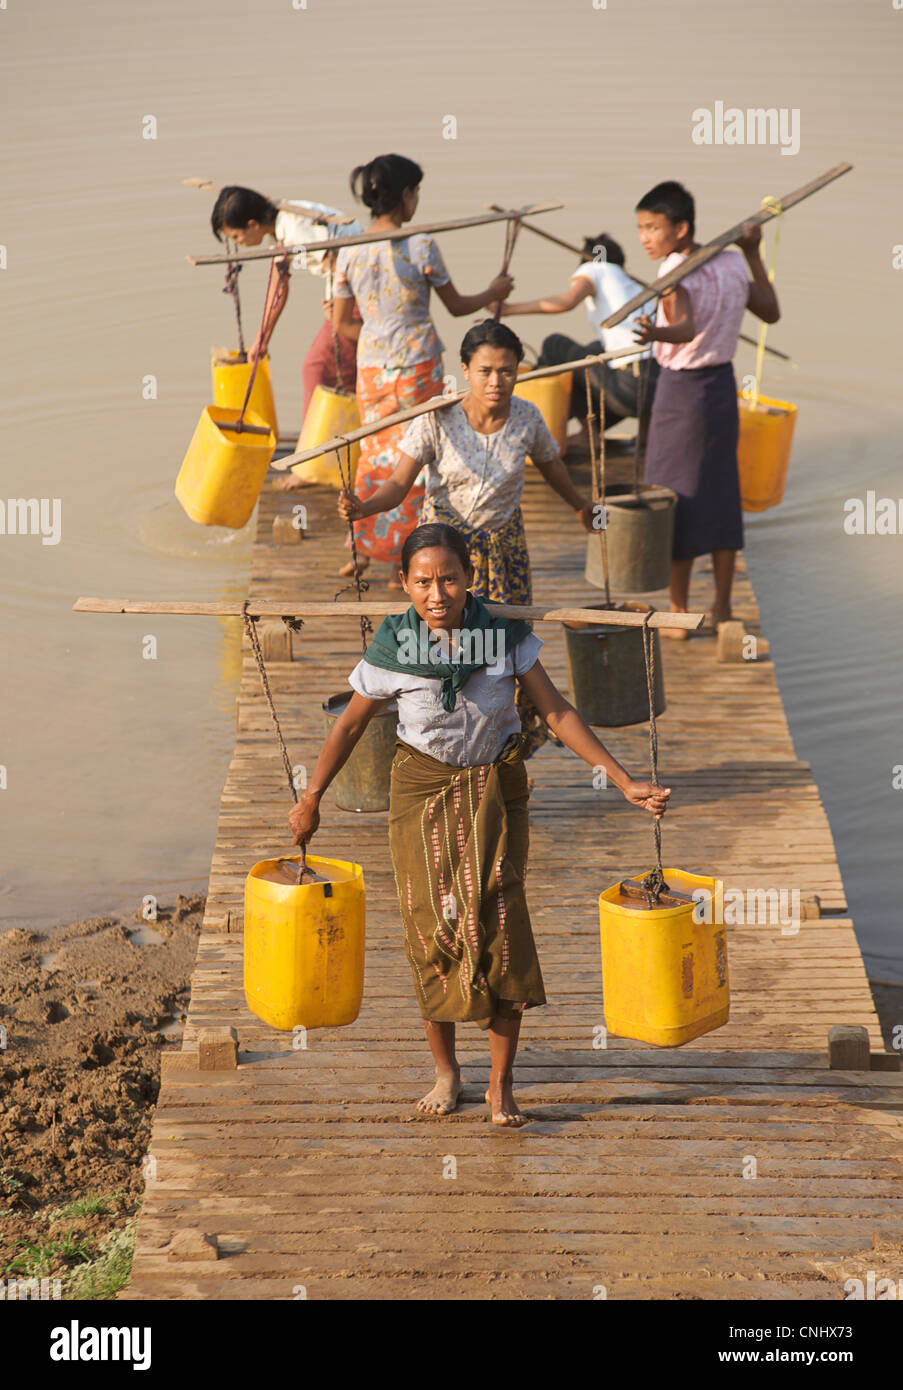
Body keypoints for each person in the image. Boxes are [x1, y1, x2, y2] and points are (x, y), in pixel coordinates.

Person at [288, 522, 671, 1127]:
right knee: (430, 926)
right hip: (421, 793)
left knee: (502, 924)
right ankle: (446, 1072)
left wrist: (623, 781)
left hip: (497, 788)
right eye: (422, 582)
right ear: (403, 584)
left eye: (448, 579)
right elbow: (349, 726)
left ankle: (500, 1084)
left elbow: (555, 710)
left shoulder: (505, 637)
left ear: (470, 579)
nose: (436, 594)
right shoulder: (393, 645)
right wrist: (311, 796)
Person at [338, 320, 595, 755]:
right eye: (485, 371)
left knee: (506, 646)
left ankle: (511, 745)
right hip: (444, 556)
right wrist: (364, 508)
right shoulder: (437, 419)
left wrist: (581, 506)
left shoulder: (527, 419)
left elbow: (552, 468)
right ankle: (447, 741)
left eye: (507, 371)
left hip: (503, 548)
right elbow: (399, 485)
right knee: (448, 640)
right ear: (465, 369)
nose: (496, 381)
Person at [333, 153, 514, 584]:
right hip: (417, 366)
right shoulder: (421, 243)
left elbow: (341, 322)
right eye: (416, 192)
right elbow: (455, 306)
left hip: (373, 368)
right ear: (406, 195)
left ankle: (363, 548)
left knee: (376, 454)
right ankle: (410, 558)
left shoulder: (347, 248)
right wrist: (494, 290)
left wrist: (381, 338)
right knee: (418, 455)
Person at [632, 181, 780, 636]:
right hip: (720, 389)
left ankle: (678, 612)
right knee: (719, 495)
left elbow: (685, 328)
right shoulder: (734, 264)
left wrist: (653, 334)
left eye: (653, 228)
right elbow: (771, 312)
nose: (645, 238)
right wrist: (753, 252)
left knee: (676, 496)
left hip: (682, 392)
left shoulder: (675, 269)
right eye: (641, 228)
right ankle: (723, 608)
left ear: (682, 229)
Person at [211, 185, 364, 418]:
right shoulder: (280, 226)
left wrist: (335, 303)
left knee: (317, 370)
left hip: (361, 289)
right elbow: (277, 284)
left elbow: (336, 265)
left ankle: (317, 447)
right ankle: (349, 432)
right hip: (355, 287)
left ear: (252, 225)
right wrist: (261, 340)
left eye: (236, 236)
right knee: (343, 372)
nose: (239, 242)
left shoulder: (294, 228)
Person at [500, 233, 659, 444]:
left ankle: (581, 433)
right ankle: (646, 435)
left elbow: (567, 301)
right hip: (657, 392)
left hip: (627, 391)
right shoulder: (631, 284)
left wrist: (508, 309)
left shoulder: (596, 267)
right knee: (595, 349)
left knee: (555, 346)